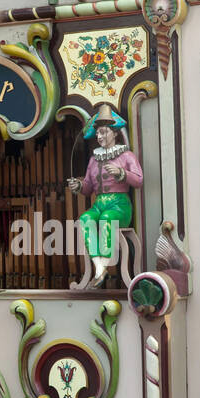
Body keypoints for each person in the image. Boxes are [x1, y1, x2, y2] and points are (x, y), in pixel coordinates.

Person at [67, 106, 143, 288]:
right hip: (99, 204)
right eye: (97, 134)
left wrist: (121, 173)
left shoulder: (126, 155)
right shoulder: (94, 159)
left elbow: (139, 180)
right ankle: (100, 266)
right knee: (85, 218)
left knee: (106, 218)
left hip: (119, 205)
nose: (99, 137)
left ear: (114, 133)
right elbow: (88, 187)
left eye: (103, 132)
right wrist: (79, 186)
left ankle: (105, 265)